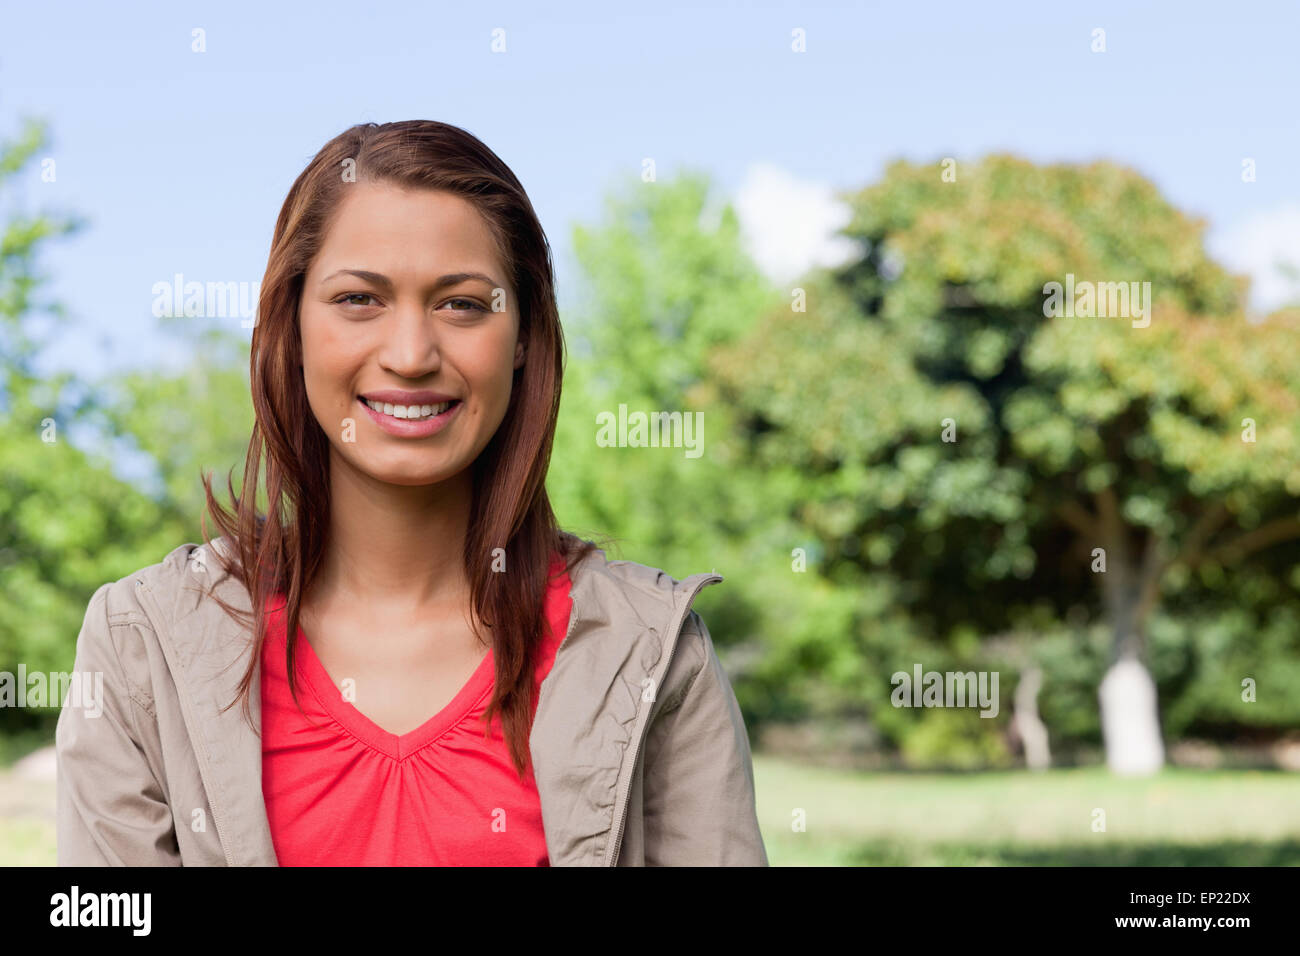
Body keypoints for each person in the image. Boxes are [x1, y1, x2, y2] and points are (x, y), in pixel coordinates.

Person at [54, 120, 768, 866]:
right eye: (360, 299)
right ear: (292, 328)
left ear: (524, 336)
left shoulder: (650, 651)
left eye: (461, 304)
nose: (410, 355)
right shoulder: (143, 647)